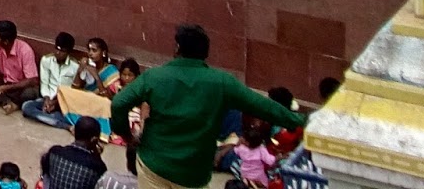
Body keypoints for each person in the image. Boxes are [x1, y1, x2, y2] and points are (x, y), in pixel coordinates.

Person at [110, 24, 304, 189]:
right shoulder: (221, 82)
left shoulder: (154, 77)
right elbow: (263, 107)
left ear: (177, 48)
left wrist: (126, 135)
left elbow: (118, 103)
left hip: (154, 165)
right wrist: (301, 121)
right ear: (205, 53)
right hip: (193, 173)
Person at [21, 32, 81, 128]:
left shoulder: (75, 66)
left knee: (75, 118)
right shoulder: (46, 60)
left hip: (64, 103)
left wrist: (56, 102)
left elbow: (72, 90)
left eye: (62, 51)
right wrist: (47, 100)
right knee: (26, 106)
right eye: (57, 49)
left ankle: (47, 118)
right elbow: (44, 83)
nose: (58, 53)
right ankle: (64, 125)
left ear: (69, 52)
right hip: (47, 99)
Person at [0, 20, 38, 110]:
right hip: (1, 82)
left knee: (29, 93)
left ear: (6, 41)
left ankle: (1, 99)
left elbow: (31, 80)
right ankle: (7, 101)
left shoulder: (25, 50)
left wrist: (7, 87)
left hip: (18, 86)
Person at [39, 117, 107, 189]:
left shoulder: (54, 152)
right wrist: (96, 155)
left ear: (74, 131)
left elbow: (45, 168)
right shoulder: (97, 166)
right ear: (94, 139)